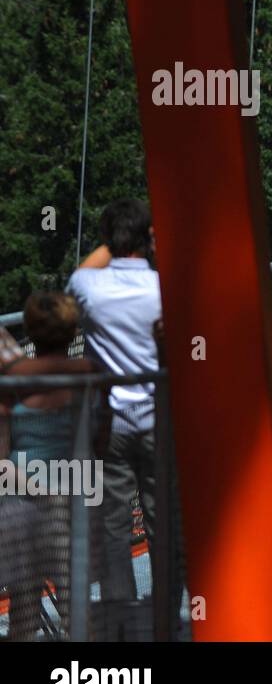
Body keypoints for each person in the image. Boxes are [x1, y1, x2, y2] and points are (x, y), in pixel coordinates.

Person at [65, 199, 161, 607]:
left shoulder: (90, 287)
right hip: (159, 420)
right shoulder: (163, 288)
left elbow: (83, 270)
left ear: (109, 239)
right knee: (164, 520)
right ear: (147, 239)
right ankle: (166, 615)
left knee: (113, 524)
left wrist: (116, 238)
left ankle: (121, 617)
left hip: (108, 424)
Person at [0, 292, 108, 639]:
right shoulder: (91, 374)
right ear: (73, 330)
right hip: (77, 495)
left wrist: (37, 489)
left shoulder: (12, 379)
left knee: (24, 609)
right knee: (75, 608)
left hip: (21, 500)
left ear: (30, 332)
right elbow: (100, 440)